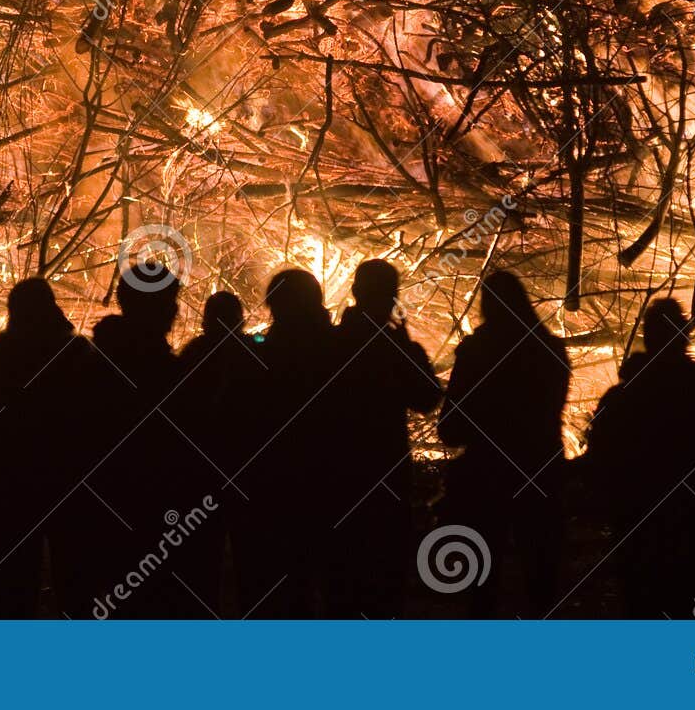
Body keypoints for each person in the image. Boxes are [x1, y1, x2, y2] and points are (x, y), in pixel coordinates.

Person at [0, 277, 109, 617]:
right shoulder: (80, 355)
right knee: (77, 582)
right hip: (69, 479)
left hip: (14, 482)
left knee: (15, 583)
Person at [582, 297, 695, 617]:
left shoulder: (625, 396)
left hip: (641, 523)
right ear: (684, 334)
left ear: (648, 337)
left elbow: (601, 459)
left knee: (644, 605)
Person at [437, 271, 570, 616]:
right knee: (541, 571)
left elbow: (451, 427)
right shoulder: (551, 350)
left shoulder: (475, 352)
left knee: (482, 575)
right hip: (540, 469)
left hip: (487, 475)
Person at [320, 260, 441, 617]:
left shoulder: (330, 342)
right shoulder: (392, 348)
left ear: (355, 293)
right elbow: (427, 398)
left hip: (337, 477)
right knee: (386, 579)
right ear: (392, 299)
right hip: (385, 473)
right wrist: (406, 345)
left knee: (341, 583)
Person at [89, 260, 205, 616]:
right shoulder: (166, 374)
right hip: (157, 512)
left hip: (105, 518)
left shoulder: (91, 366)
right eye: (169, 301)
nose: (175, 311)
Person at [240, 269, 340, 616]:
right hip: (329, 484)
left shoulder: (262, 357)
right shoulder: (338, 348)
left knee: (277, 590)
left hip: (276, 489)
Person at [169, 291, 266, 614]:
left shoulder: (194, 354)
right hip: (246, 472)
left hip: (202, 472)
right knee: (251, 560)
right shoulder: (253, 354)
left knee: (201, 561)